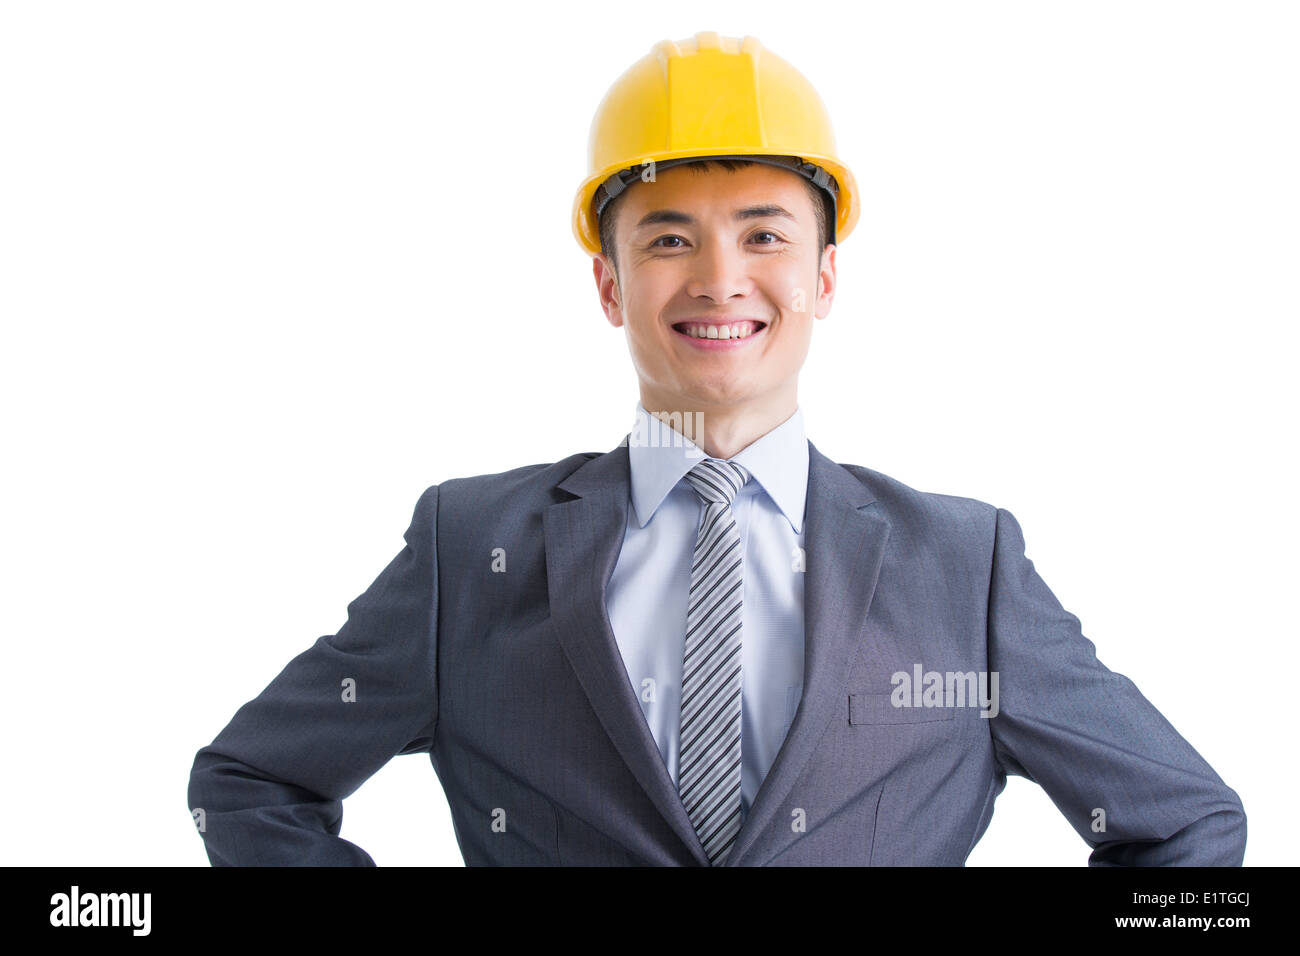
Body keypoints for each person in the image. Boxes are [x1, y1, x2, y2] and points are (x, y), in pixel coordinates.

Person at [187, 31, 1246, 866]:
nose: (718, 277)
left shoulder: (962, 566)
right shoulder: (469, 548)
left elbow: (1185, 826)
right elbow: (249, 782)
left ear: (824, 277)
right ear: (608, 283)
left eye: (763, 232)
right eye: (666, 237)